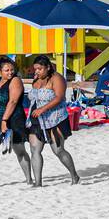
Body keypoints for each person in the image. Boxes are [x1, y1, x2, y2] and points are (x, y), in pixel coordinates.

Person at [26, 54, 80, 186]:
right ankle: (38, 182)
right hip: (38, 119)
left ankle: (74, 175)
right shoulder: (36, 80)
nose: (37, 71)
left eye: (40, 69)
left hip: (56, 119)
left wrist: (42, 109)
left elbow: (59, 97)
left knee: (58, 150)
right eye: (36, 69)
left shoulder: (57, 78)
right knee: (35, 150)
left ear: (48, 67)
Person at [0, 57, 32, 188]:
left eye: (12, 70)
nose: (10, 72)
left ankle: (29, 179)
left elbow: (13, 101)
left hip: (13, 119)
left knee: (19, 151)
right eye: (6, 70)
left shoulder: (15, 81)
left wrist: (4, 120)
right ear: (0, 71)